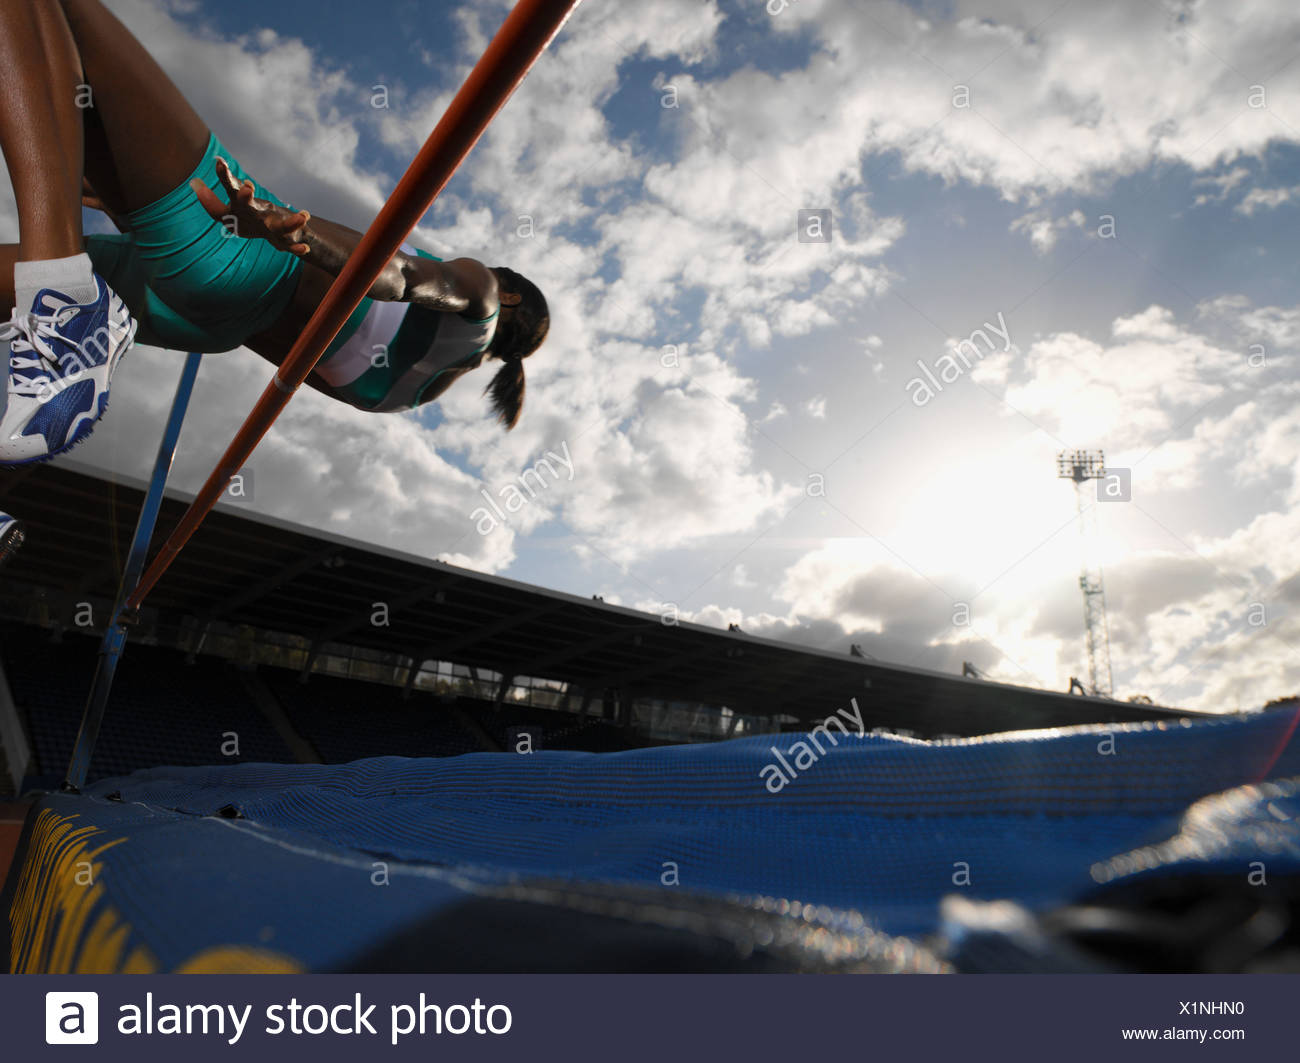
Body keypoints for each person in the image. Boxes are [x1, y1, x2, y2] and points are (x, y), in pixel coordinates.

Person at [0, 0, 549, 476]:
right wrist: (141, 218)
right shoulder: (408, 396)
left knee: (62, 15)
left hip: (240, 256)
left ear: (511, 295)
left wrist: (293, 225)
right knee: (62, 84)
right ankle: (63, 313)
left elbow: (400, 273)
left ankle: (63, 297)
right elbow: (255, 326)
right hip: (203, 311)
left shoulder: (480, 296)